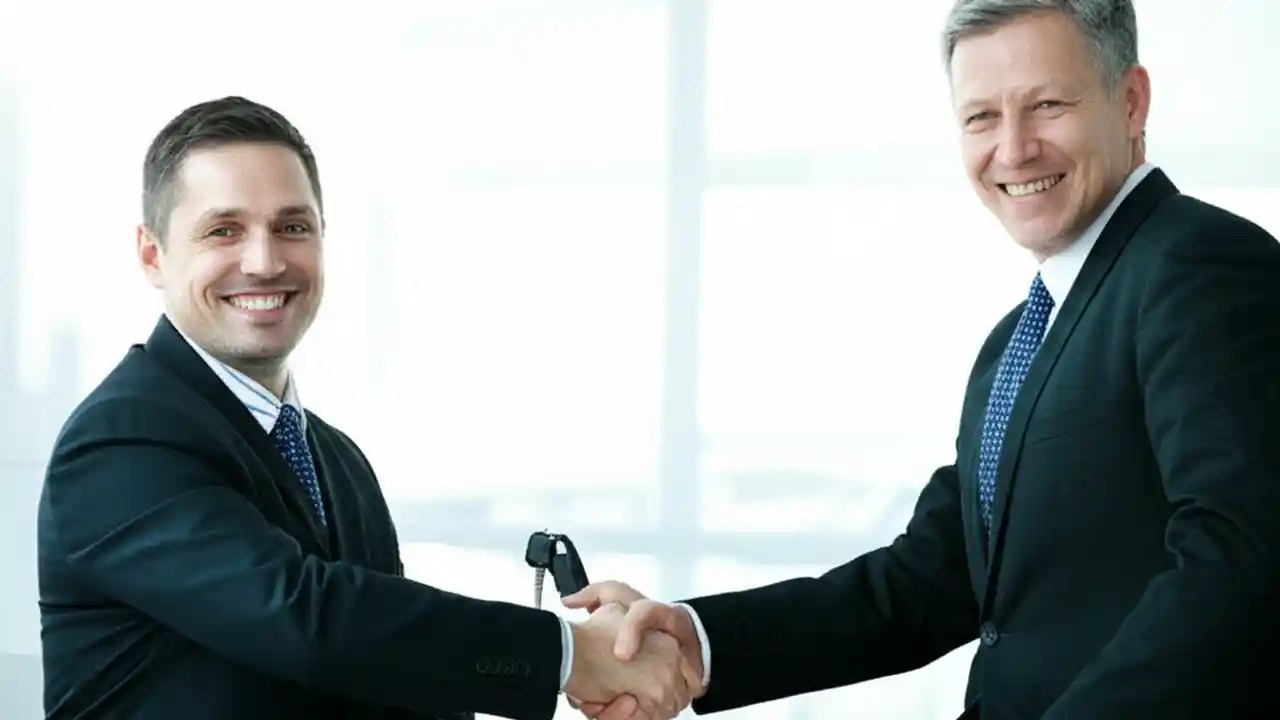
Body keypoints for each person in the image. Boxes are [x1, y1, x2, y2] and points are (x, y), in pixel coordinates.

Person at [567, 1, 1280, 718]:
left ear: (1131, 103)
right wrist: (696, 640)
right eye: (981, 118)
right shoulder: (1018, 340)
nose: (1014, 148)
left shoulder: (1201, 268)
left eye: (1047, 105)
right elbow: (927, 583)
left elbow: (1240, 564)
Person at [36, 96, 698, 720]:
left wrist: (601, 673)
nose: (264, 261)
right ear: (153, 254)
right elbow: (306, 618)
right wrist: (568, 656)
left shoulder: (335, 458)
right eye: (224, 230)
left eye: (291, 227)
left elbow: (389, 667)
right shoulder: (121, 439)